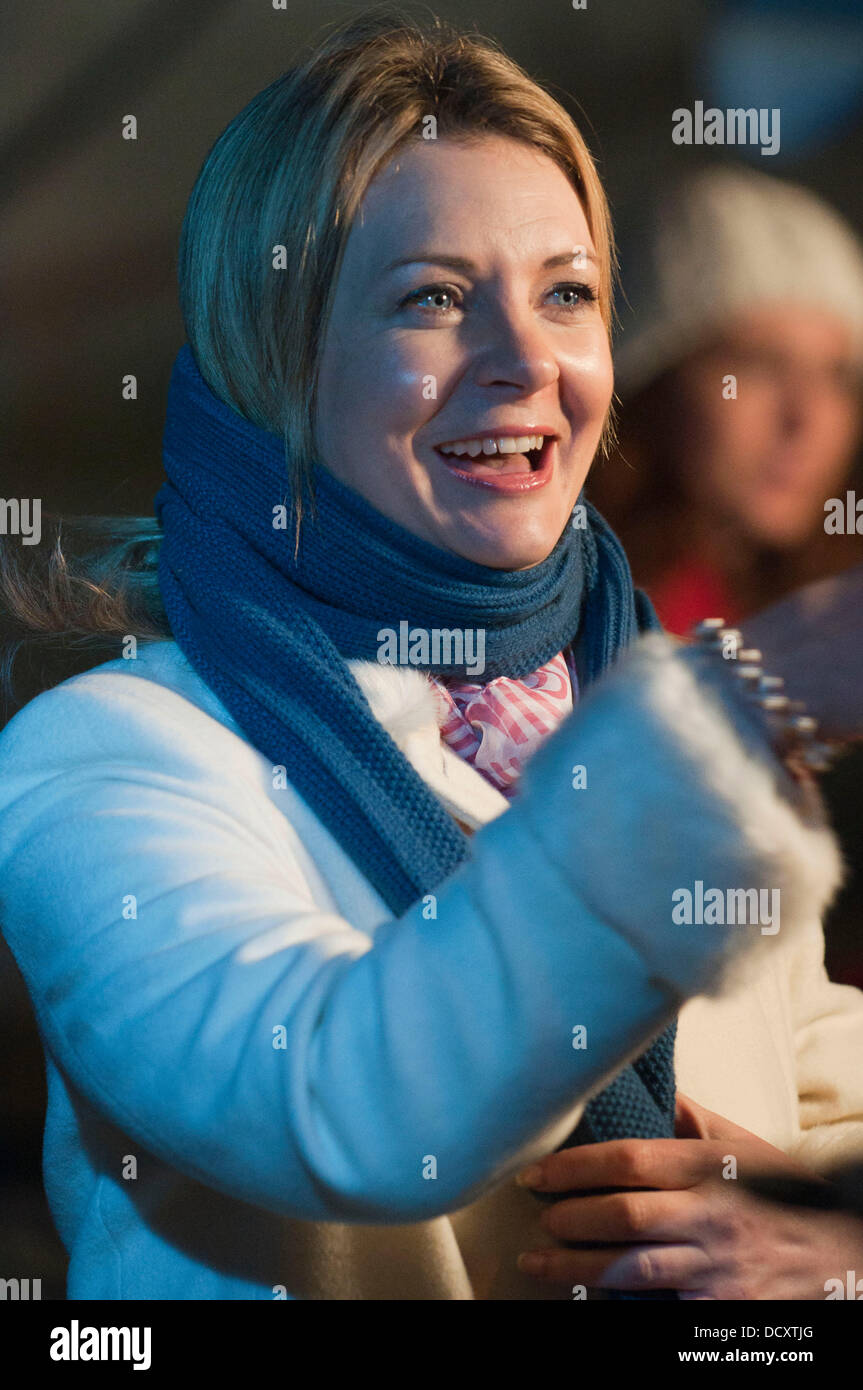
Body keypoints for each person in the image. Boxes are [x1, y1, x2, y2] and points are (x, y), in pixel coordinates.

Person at [1, 10, 862, 1303]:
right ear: (277, 355)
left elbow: (826, 1103)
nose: (528, 361)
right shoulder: (109, 749)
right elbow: (338, 1106)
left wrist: (818, 1242)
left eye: (566, 294)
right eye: (434, 299)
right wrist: (733, 730)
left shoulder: (657, 700)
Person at [590, 166, 863, 636]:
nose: (806, 418)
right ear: (654, 384)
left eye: (836, 376)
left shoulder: (828, 619)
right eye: (759, 366)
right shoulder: (572, 625)